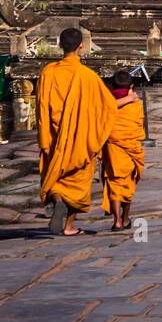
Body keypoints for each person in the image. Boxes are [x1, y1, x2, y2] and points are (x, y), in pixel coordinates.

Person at [37, 28, 117, 236]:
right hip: (80, 140)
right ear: (82, 46)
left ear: (59, 45)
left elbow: (41, 108)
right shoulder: (88, 77)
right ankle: (69, 226)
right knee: (78, 182)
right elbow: (108, 107)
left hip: (54, 138)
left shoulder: (48, 72)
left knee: (55, 177)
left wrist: (44, 136)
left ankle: (57, 198)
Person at [101, 70, 145, 232]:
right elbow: (139, 126)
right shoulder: (136, 104)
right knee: (128, 182)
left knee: (114, 182)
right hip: (131, 147)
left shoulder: (107, 103)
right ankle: (125, 218)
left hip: (113, 146)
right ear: (131, 86)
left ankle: (117, 221)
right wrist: (130, 98)